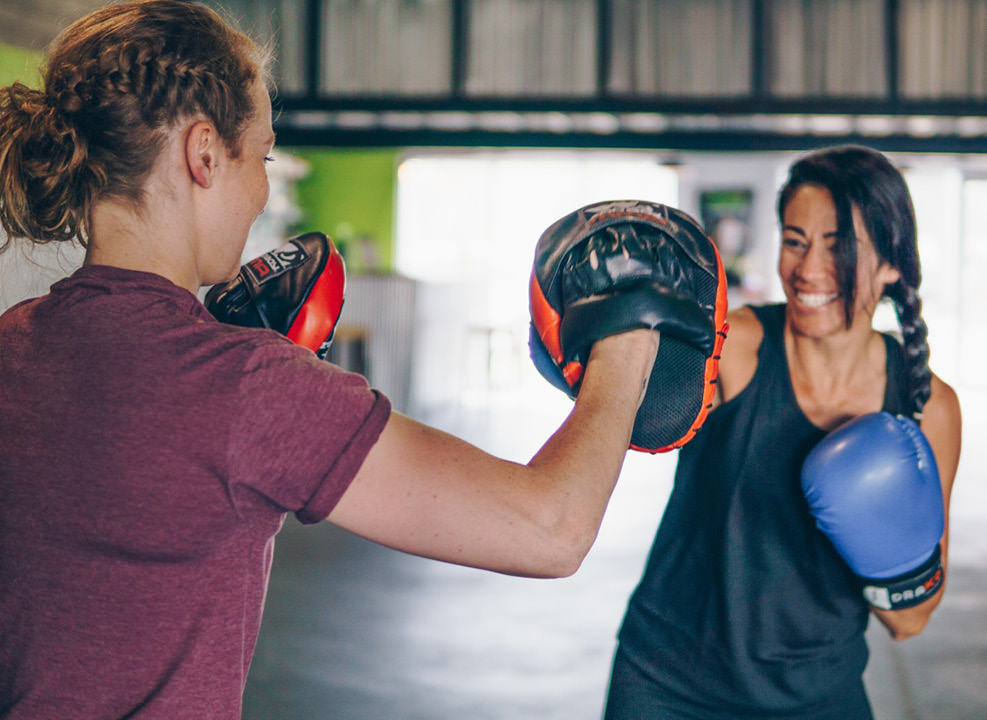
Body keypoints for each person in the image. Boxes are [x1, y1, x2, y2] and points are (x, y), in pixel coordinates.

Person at [0, 2, 670, 718]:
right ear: (202, 155)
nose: (261, 189)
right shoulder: (245, 385)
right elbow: (549, 530)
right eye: (261, 156)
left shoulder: (15, 341)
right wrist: (627, 341)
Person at [603, 145, 962, 720]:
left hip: (820, 693)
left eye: (838, 246)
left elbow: (910, 618)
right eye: (795, 241)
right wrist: (617, 325)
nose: (808, 270)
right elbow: (629, 396)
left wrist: (879, 531)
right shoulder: (738, 347)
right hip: (671, 684)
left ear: (892, 263)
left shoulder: (927, 406)